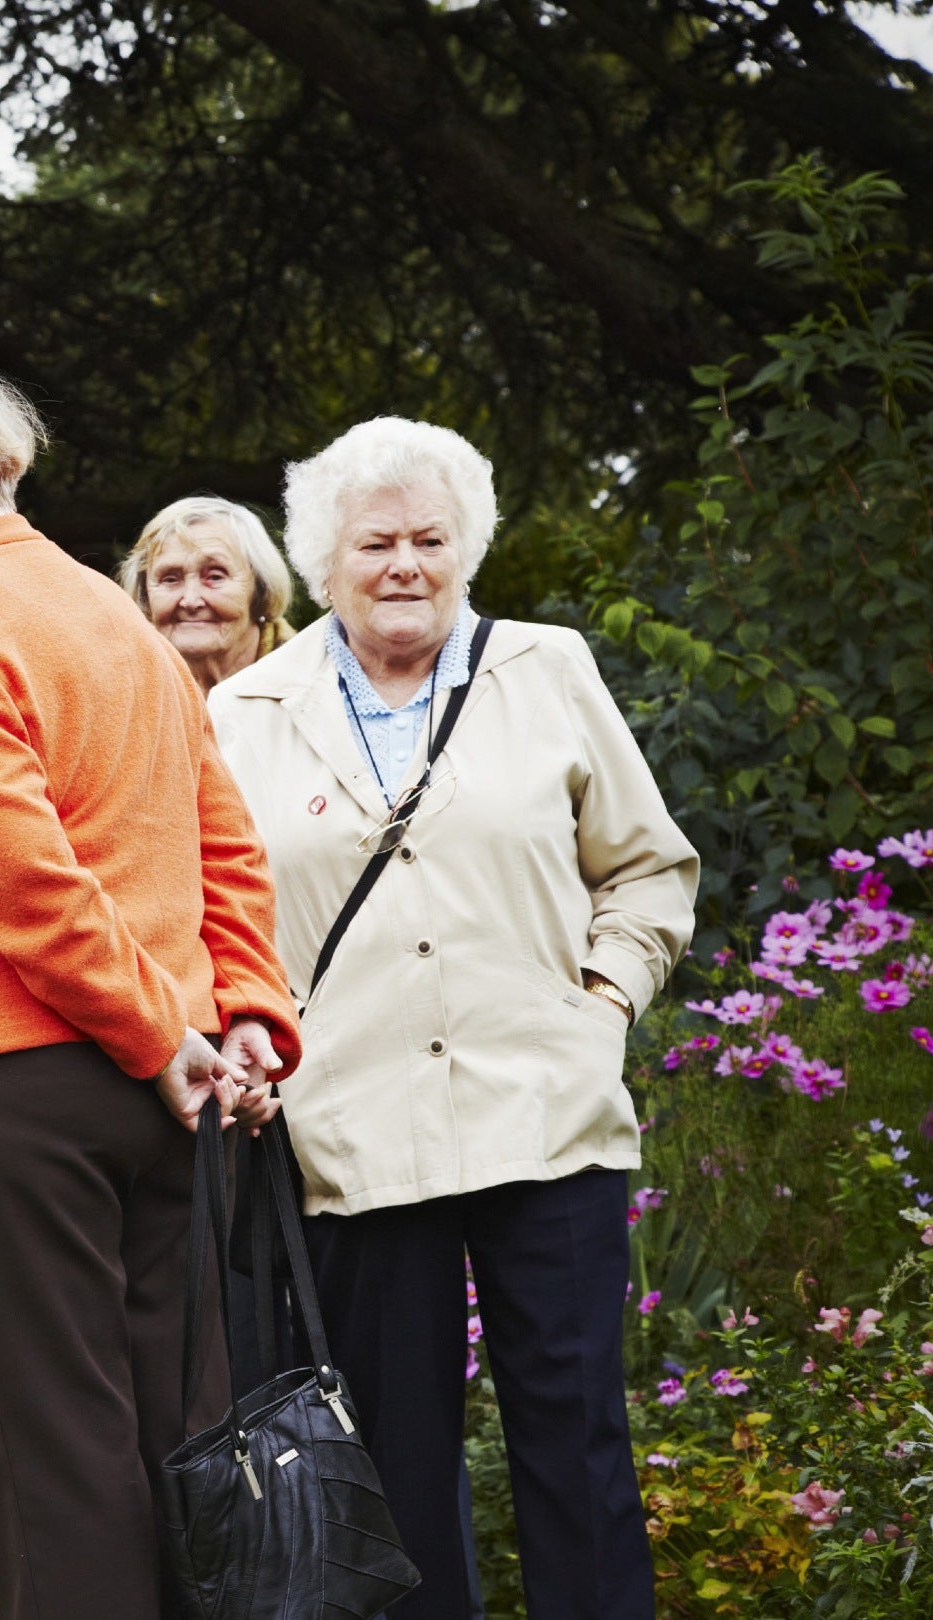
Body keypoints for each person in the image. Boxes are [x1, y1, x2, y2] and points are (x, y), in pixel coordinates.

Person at [0, 356, 305, 1620]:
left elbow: (14, 879)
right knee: (178, 1442)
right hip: (170, 1090)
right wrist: (241, 1019)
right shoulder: (120, 622)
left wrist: (162, 1036)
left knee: (48, 1460)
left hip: (19, 1082)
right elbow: (226, 847)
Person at [205, 417, 695, 1620]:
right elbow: (211, 913)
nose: (405, 565)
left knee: (577, 1443)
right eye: (377, 542)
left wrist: (601, 1001)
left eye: (431, 538)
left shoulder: (546, 668)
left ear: (468, 546)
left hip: (546, 1112)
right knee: (395, 1465)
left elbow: (646, 868)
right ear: (324, 557)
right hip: (353, 1131)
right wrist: (245, 1029)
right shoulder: (246, 709)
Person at [117, 495, 297, 691]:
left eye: (215, 577)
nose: (191, 600)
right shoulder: (120, 683)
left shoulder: (309, 677)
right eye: (170, 579)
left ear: (260, 589)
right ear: (145, 596)